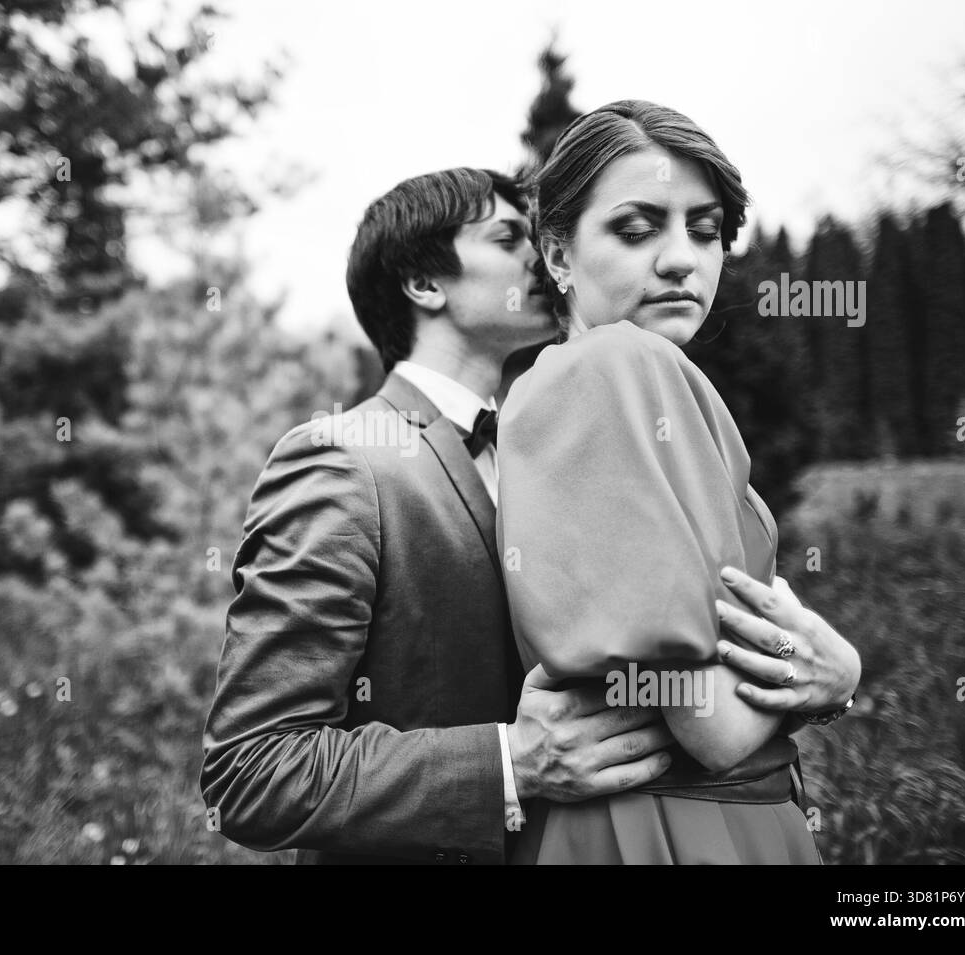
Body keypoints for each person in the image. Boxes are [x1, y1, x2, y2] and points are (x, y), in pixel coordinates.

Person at [200, 165, 861, 864]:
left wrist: (832, 684)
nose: (541, 252)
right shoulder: (342, 460)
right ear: (425, 283)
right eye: (509, 234)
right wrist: (510, 762)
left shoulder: (574, 439)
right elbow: (251, 769)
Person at [497, 99, 851, 864]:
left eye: (706, 228)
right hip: (679, 830)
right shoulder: (620, 365)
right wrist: (831, 673)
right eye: (636, 228)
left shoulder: (554, 386)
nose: (682, 258)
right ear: (557, 254)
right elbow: (710, 724)